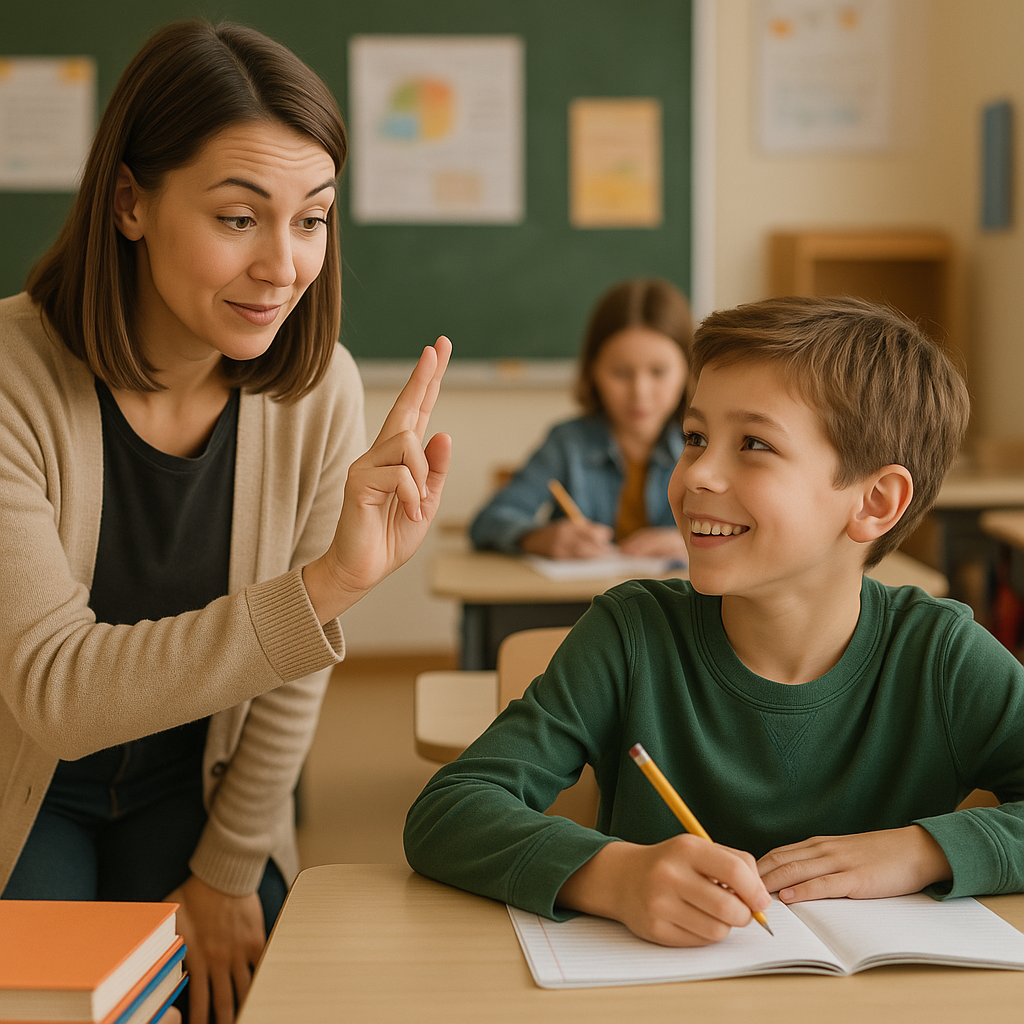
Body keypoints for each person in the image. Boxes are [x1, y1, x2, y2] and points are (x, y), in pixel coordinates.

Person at [0, 20, 451, 1024]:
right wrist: (332, 585)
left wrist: (231, 864)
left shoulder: (317, 391)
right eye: (240, 218)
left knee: (256, 994)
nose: (284, 267)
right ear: (130, 203)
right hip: (26, 789)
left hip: (197, 786)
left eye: (312, 220)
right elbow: (56, 695)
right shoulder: (11, 378)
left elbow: (294, 671)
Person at [405, 295, 1024, 950]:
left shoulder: (940, 657)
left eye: (753, 444)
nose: (697, 473)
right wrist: (611, 876)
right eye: (695, 438)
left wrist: (923, 850)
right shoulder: (632, 635)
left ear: (875, 502)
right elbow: (449, 812)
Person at [469, 278, 691, 561]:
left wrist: (691, 544)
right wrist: (537, 538)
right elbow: (488, 522)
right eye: (621, 373)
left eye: (658, 372)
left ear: (687, 369)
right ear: (593, 370)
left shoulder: (704, 447)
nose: (640, 392)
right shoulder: (567, 443)